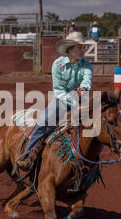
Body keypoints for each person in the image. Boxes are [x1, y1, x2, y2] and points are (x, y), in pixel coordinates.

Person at [16, 31, 93, 171]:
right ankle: (27, 156)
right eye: (79, 47)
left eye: (84, 47)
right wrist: (75, 104)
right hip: (62, 100)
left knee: (98, 124)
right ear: (70, 49)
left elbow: (87, 80)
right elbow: (59, 90)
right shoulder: (57, 65)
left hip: (81, 99)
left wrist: (84, 88)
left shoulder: (86, 65)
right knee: (44, 121)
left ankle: (92, 160)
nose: (83, 50)